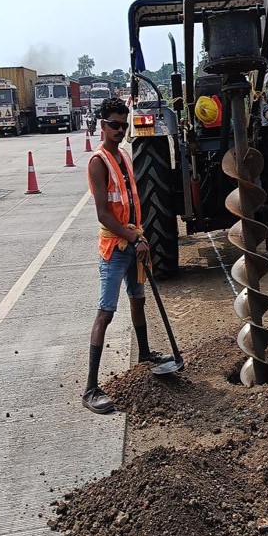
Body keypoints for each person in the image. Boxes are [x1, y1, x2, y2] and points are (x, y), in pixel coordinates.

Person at [83, 97, 171, 414]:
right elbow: (104, 215)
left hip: (134, 242)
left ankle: (145, 352)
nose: (120, 130)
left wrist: (139, 238)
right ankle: (91, 388)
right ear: (102, 125)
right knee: (106, 311)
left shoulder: (122, 156)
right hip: (115, 248)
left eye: (124, 125)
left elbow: (131, 203)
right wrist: (133, 237)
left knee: (138, 298)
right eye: (114, 125)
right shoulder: (98, 162)